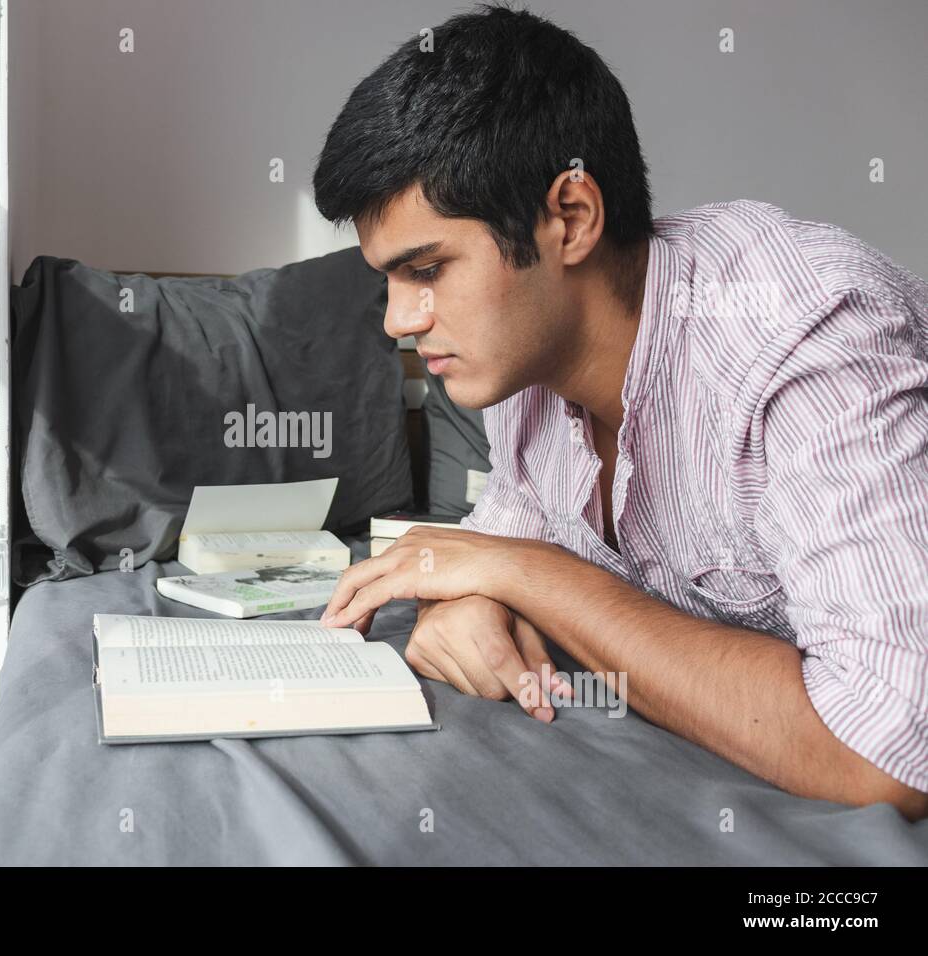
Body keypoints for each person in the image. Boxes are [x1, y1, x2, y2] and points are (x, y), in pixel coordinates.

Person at [313, 4, 928, 818]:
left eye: (427, 268)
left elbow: (886, 750)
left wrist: (527, 575)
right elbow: (499, 544)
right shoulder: (525, 363)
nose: (398, 319)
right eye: (388, 279)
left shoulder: (802, 335)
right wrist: (461, 599)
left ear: (570, 217)